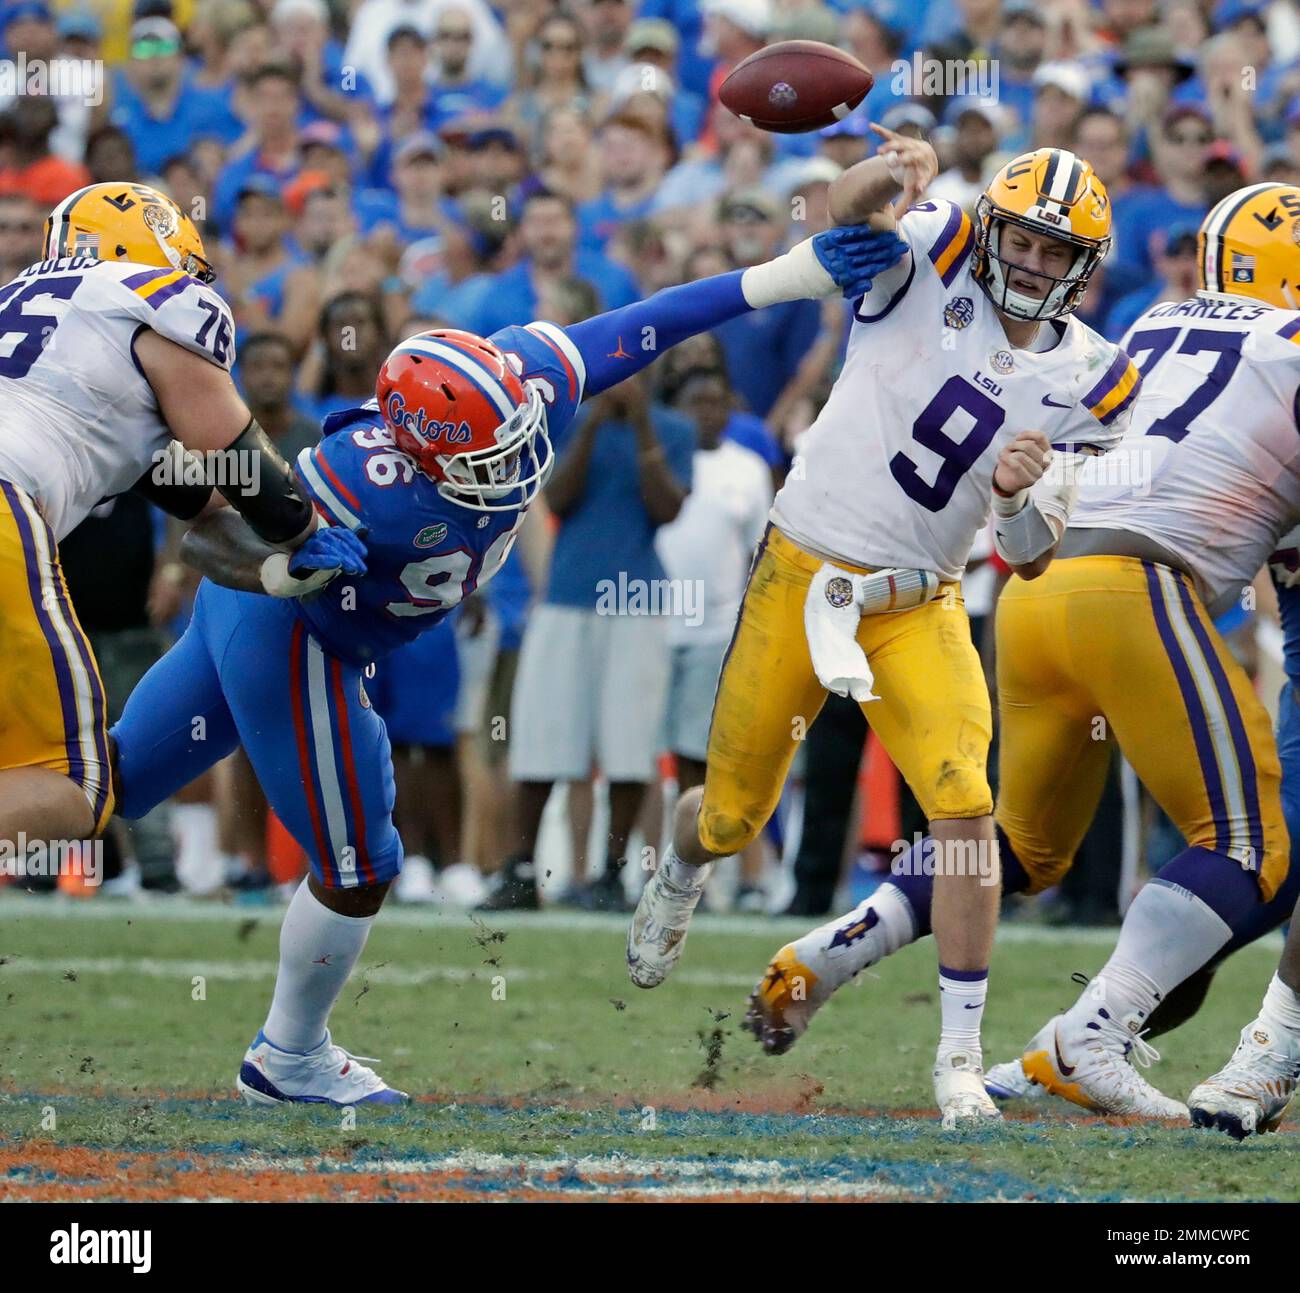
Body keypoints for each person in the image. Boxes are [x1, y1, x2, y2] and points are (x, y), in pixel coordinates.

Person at [107, 221, 905, 1105]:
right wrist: (276, 563)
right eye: (487, 457)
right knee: (360, 866)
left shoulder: (523, 378)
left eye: (516, 436)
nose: (519, 461)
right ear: (416, 447)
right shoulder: (355, 475)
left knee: (99, 788)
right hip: (292, 639)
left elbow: (657, 320)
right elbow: (202, 530)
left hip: (295, 635)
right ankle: (288, 1057)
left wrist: (790, 274)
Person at [751, 182, 1300, 1124]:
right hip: (1139, 584)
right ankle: (1094, 1033)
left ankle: (841, 943)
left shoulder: (1156, 325)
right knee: (1254, 851)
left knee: (1023, 846)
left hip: (1037, 584)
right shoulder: (1286, 346)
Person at [627, 138, 1139, 1129]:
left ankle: (957, 1056)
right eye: (1023, 241)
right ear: (992, 229)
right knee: (733, 817)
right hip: (802, 570)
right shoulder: (930, 252)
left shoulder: (1092, 377)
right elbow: (844, 211)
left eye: (1055, 251)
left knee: (963, 809)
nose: (1033, 264)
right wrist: (888, 172)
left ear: (1085, 265)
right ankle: (683, 862)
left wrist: (1019, 494)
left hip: (920, 600)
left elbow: (1030, 553)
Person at [0, 182, 335, 850]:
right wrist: (310, 535)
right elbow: (247, 474)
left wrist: (273, 570)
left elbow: (195, 496)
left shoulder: (35, 315)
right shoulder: (152, 298)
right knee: (74, 782)